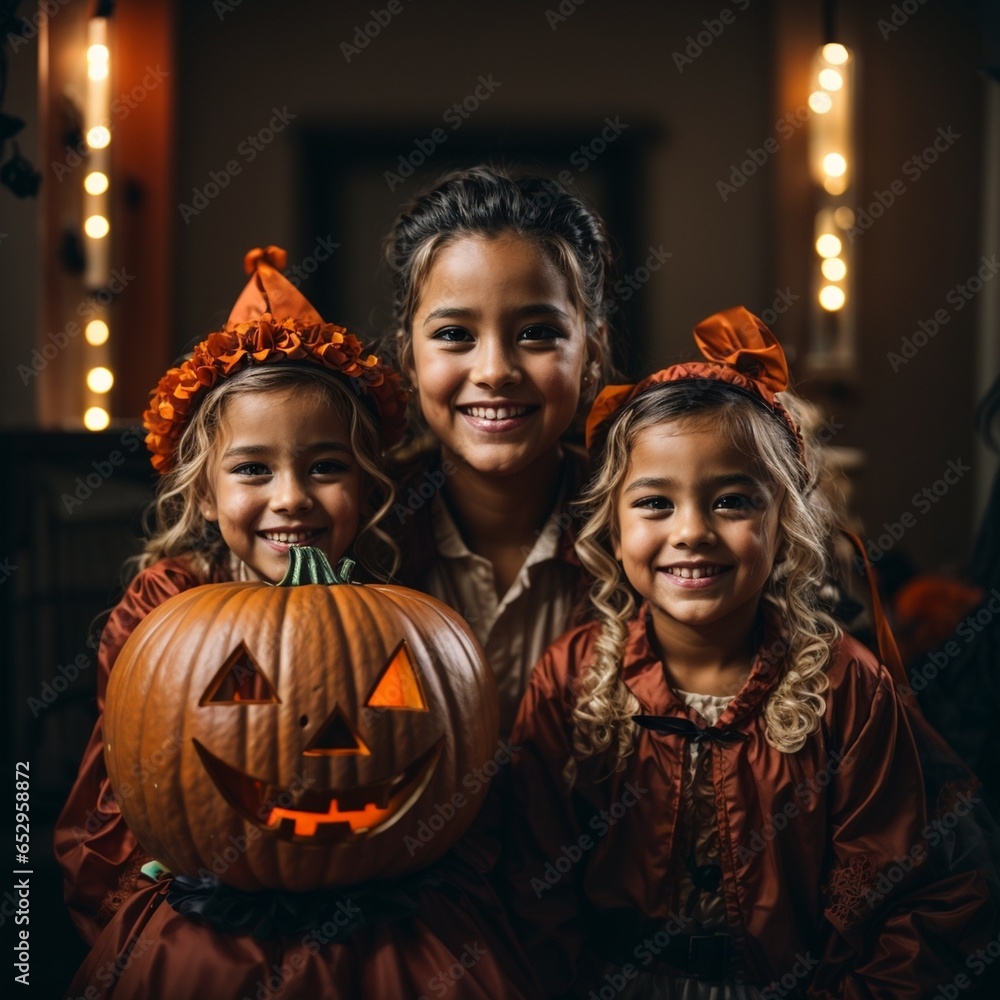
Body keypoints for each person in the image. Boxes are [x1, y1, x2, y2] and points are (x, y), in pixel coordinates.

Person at [56, 247, 543, 1000]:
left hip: (381, 921)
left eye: (325, 467)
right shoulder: (168, 606)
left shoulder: (395, 605)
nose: (292, 498)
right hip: (217, 923)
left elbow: (448, 782)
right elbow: (128, 795)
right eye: (253, 470)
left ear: (367, 482)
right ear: (205, 494)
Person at [503, 307, 996, 998]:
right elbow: (534, 889)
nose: (692, 532)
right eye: (654, 503)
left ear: (783, 521)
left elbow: (903, 898)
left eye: (732, 501)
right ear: (611, 523)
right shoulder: (569, 676)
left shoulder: (847, 687)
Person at [383, 164, 619, 735]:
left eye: (537, 332)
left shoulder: (646, 535)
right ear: (409, 361)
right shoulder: (356, 530)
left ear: (590, 356)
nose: (495, 371)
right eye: (454, 335)